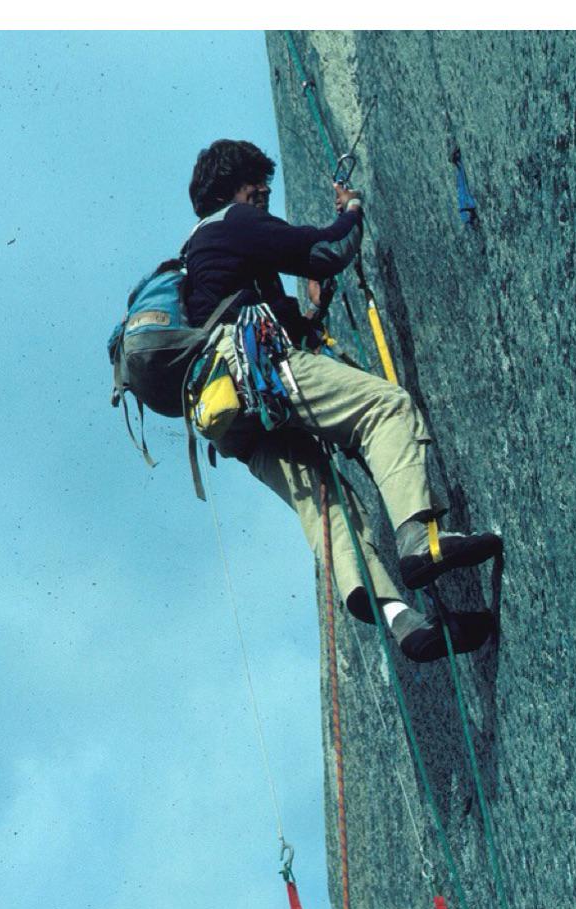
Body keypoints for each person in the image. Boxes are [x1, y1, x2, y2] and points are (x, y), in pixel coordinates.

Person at [183, 138, 501, 661]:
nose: (265, 189)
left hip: (227, 413)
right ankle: (420, 541)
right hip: (259, 375)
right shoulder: (232, 223)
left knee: (328, 506)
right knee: (385, 409)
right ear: (229, 188)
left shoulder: (197, 255)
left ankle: (403, 622)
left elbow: (264, 314)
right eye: (254, 181)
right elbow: (327, 252)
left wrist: (309, 313)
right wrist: (352, 209)